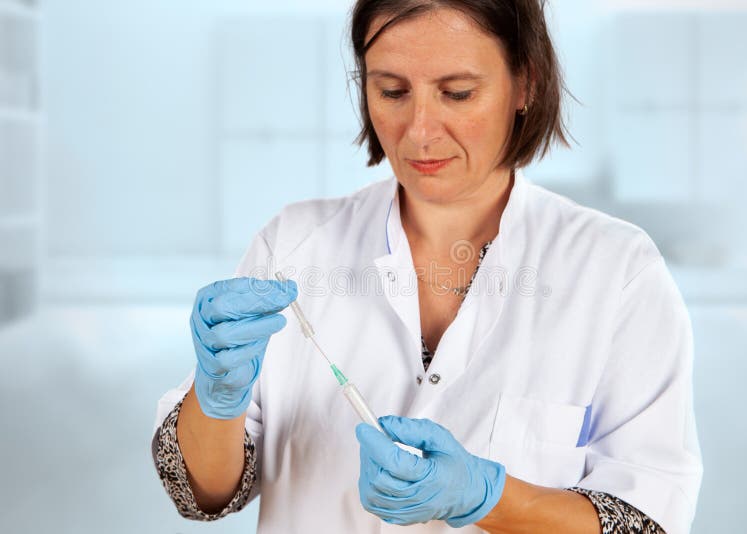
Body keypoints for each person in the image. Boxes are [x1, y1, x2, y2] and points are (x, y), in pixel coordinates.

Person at [151, 1, 703, 532]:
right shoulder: (295, 247)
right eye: (391, 91)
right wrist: (216, 400)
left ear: (526, 82)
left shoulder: (614, 270)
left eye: (457, 93)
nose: (419, 130)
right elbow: (200, 494)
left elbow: (648, 520)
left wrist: (486, 498)